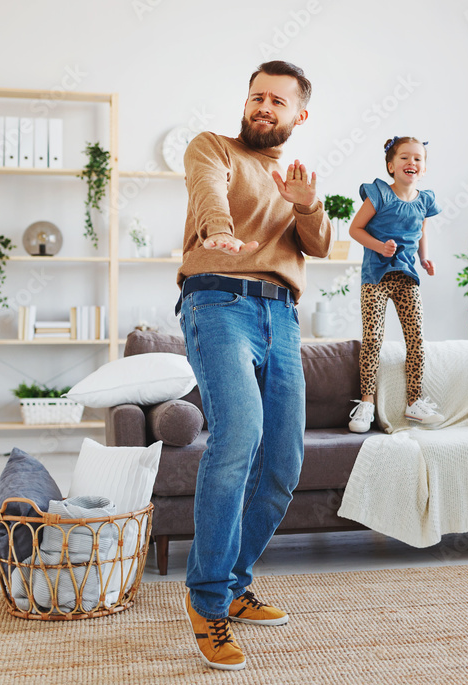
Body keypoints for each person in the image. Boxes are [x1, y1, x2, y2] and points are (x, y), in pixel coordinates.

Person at [176, 60, 332, 670]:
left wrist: (308, 205)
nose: (263, 107)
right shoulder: (212, 147)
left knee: (285, 463)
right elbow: (208, 192)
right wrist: (217, 231)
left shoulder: (295, 178)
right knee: (237, 436)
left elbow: (317, 245)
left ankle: (235, 584)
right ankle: (209, 603)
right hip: (216, 301)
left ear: (299, 115)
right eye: (256, 97)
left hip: (282, 316)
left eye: (277, 100)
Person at [345, 136, 444, 433]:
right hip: (376, 277)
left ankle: (414, 402)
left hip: (407, 277)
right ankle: (366, 404)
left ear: (424, 168)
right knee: (373, 338)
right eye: (404, 157)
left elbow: (421, 231)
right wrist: (379, 246)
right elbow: (355, 229)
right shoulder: (379, 195)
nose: (411, 162)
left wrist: (425, 259)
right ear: (391, 165)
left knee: (416, 339)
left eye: (417, 158)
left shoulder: (424, 200)